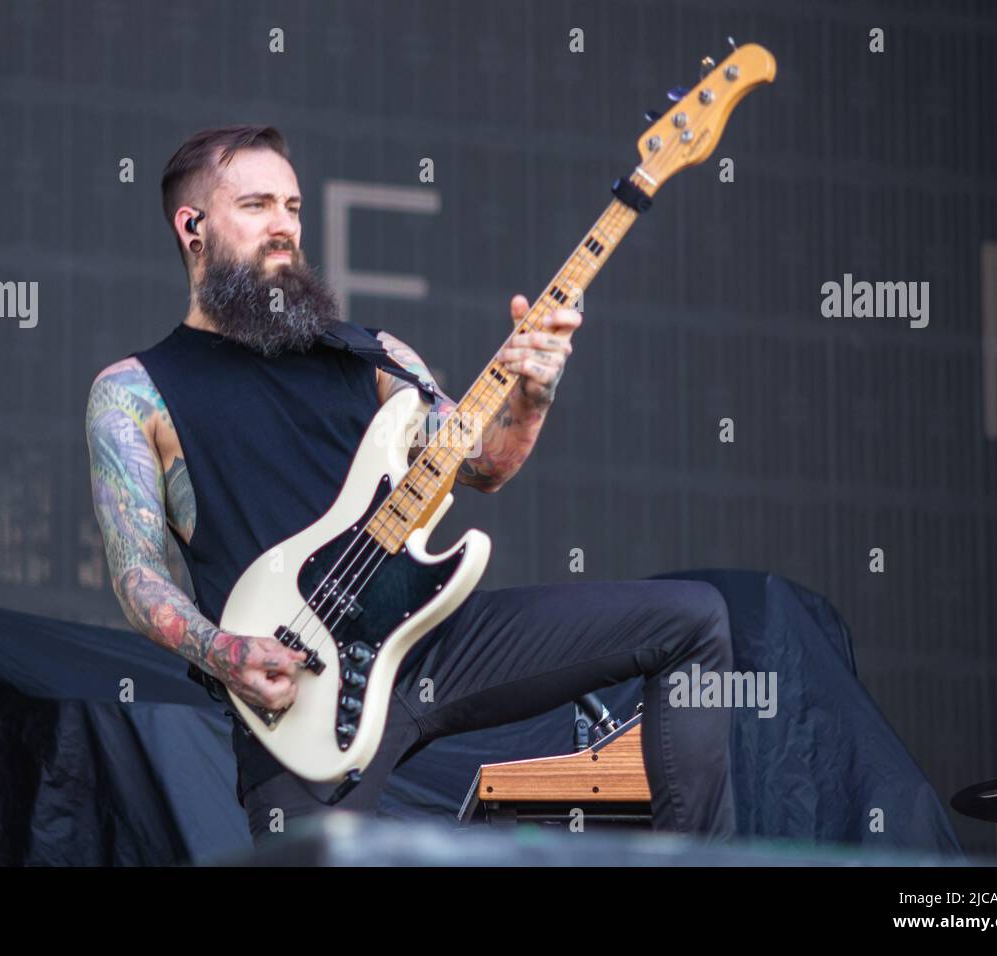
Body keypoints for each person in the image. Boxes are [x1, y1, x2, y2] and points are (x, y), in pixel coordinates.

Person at [86, 124, 735, 847]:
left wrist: (533, 395)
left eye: (294, 207)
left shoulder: (372, 356)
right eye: (258, 205)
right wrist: (226, 653)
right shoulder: (135, 393)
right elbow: (137, 574)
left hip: (431, 643)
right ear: (192, 227)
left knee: (693, 620)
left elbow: (483, 463)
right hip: (298, 689)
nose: (285, 228)